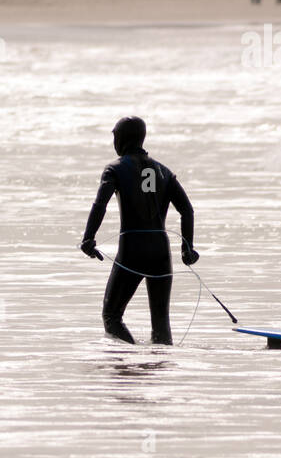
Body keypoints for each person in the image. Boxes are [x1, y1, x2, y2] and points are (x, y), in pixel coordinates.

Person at [80, 115, 197, 346]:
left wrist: (88, 238)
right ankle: (159, 369)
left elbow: (100, 204)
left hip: (132, 251)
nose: (114, 141)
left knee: (112, 316)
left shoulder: (114, 169)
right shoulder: (163, 170)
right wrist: (187, 249)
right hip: (161, 253)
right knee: (161, 322)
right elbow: (187, 211)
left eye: (115, 135)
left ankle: (129, 363)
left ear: (122, 138)